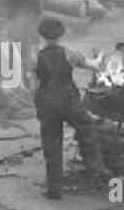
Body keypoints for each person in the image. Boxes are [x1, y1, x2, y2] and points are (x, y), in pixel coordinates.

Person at [33, 17, 109, 200]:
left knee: (51, 146)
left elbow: (33, 86)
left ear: (42, 36)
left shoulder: (35, 57)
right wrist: (100, 57)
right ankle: (96, 172)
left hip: (47, 104)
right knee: (87, 127)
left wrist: (39, 105)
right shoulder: (70, 53)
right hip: (68, 102)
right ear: (61, 35)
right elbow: (94, 66)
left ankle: (54, 190)